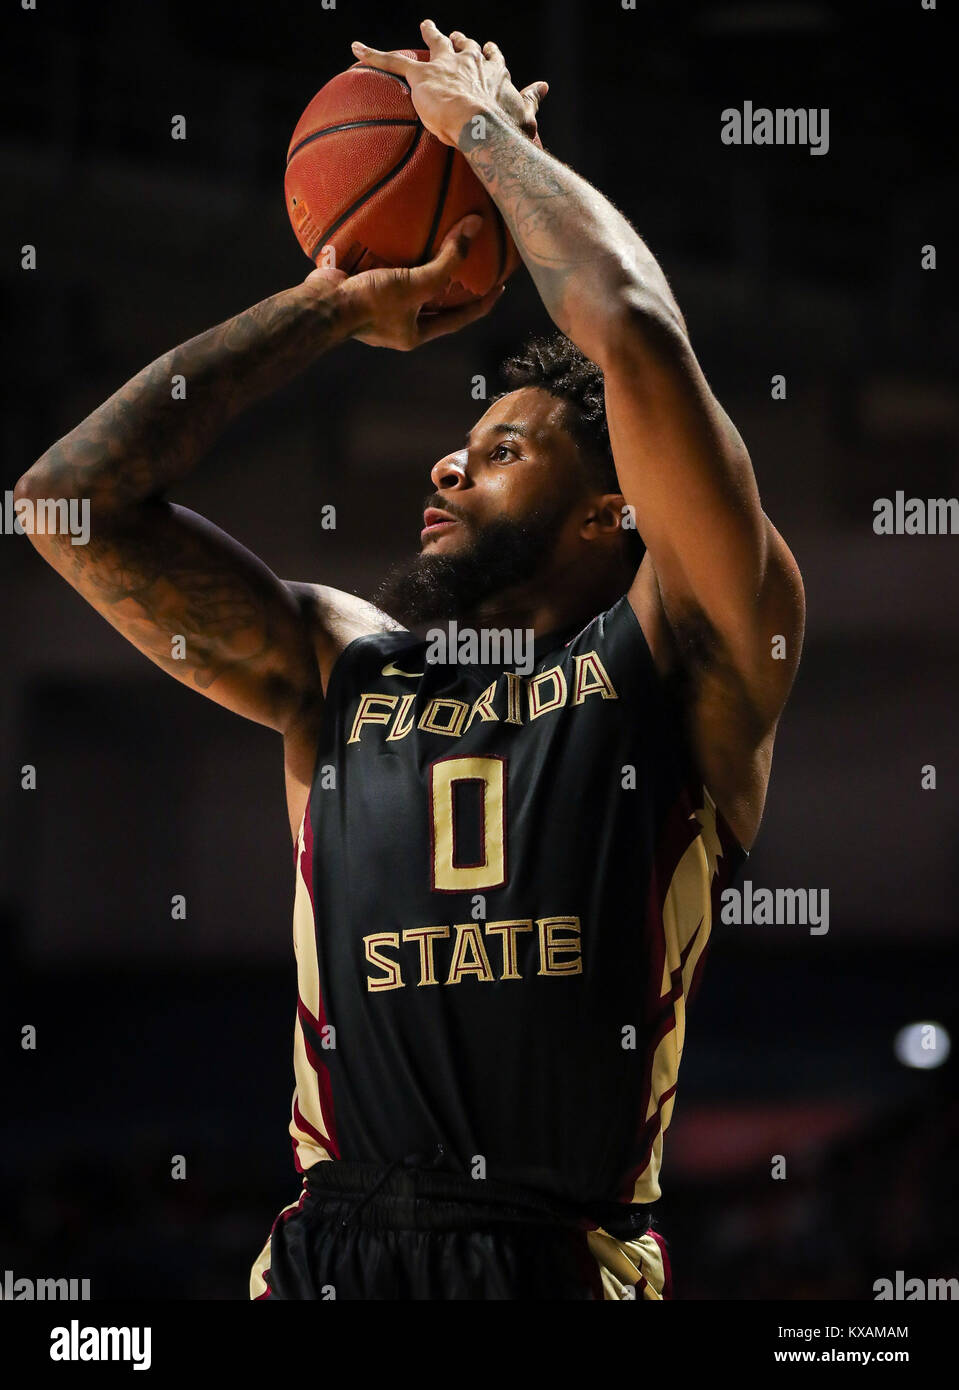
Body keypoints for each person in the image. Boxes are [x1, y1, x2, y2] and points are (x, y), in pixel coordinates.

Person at [15, 20, 804, 1300]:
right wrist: (320, 309)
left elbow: (637, 332)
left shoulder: (687, 653)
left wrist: (485, 140)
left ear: (617, 509)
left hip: (554, 1254)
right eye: (460, 445)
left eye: (501, 449)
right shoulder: (342, 667)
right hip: (328, 1250)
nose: (447, 464)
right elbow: (64, 504)